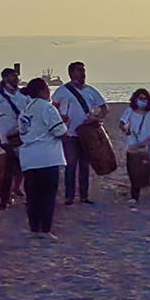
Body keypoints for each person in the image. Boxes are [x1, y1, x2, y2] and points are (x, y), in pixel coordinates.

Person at [16, 78, 67, 239]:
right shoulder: (47, 108)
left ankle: (34, 228)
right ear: (42, 91)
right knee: (47, 196)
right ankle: (45, 230)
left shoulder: (25, 110)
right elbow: (60, 131)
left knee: (32, 197)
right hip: (46, 157)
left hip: (29, 158)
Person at [53, 62, 107, 205]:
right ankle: (69, 196)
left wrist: (96, 118)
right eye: (79, 71)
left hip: (87, 134)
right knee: (70, 165)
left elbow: (104, 107)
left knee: (85, 166)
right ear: (71, 73)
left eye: (83, 70)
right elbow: (53, 108)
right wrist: (61, 118)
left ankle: (84, 196)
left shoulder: (90, 91)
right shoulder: (62, 91)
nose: (82, 73)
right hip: (69, 134)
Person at [0, 67, 28, 210]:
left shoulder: (24, 97)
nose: (16, 79)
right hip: (6, 140)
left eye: (16, 77)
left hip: (23, 138)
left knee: (25, 169)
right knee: (7, 170)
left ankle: (21, 192)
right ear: (5, 79)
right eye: (12, 77)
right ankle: (4, 199)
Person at [119, 88, 150, 205]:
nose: (142, 101)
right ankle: (134, 195)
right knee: (134, 170)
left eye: (145, 98)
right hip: (134, 144)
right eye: (140, 98)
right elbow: (122, 123)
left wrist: (147, 141)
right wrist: (125, 129)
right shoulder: (130, 111)